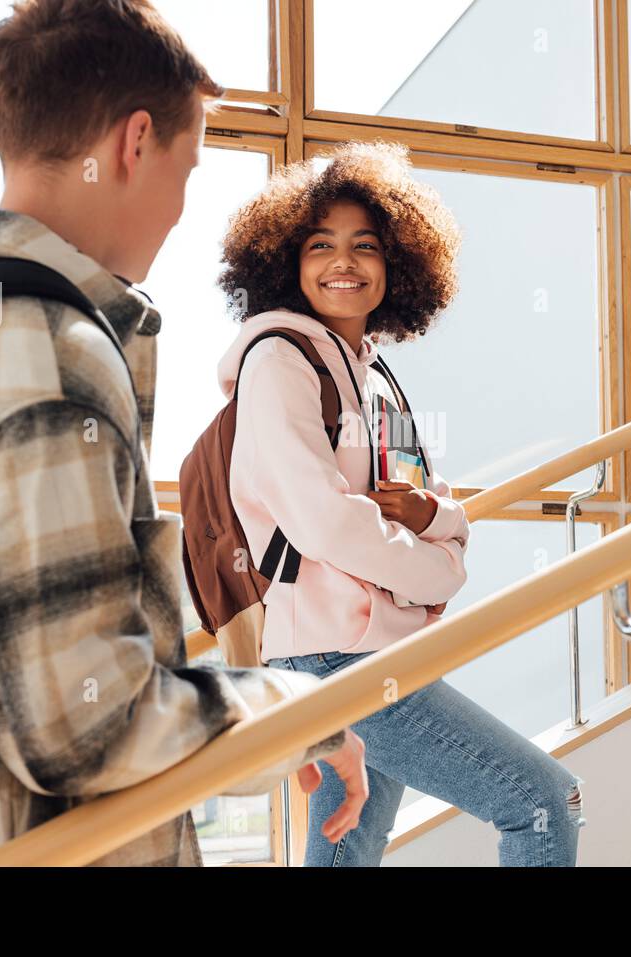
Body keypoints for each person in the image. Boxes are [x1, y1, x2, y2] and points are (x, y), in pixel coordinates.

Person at [0, 0, 366, 866]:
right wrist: (297, 715)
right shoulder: (36, 349)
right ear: (133, 143)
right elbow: (86, 722)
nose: (181, 210)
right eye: (187, 168)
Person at [216, 141, 585, 866]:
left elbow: (430, 505)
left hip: (379, 648)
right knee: (543, 801)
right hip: (331, 655)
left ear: (399, 265)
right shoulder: (279, 362)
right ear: (285, 262)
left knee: (347, 845)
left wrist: (433, 526)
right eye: (320, 245)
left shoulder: (376, 377)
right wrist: (436, 570)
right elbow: (323, 520)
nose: (342, 262)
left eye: (366, 246)